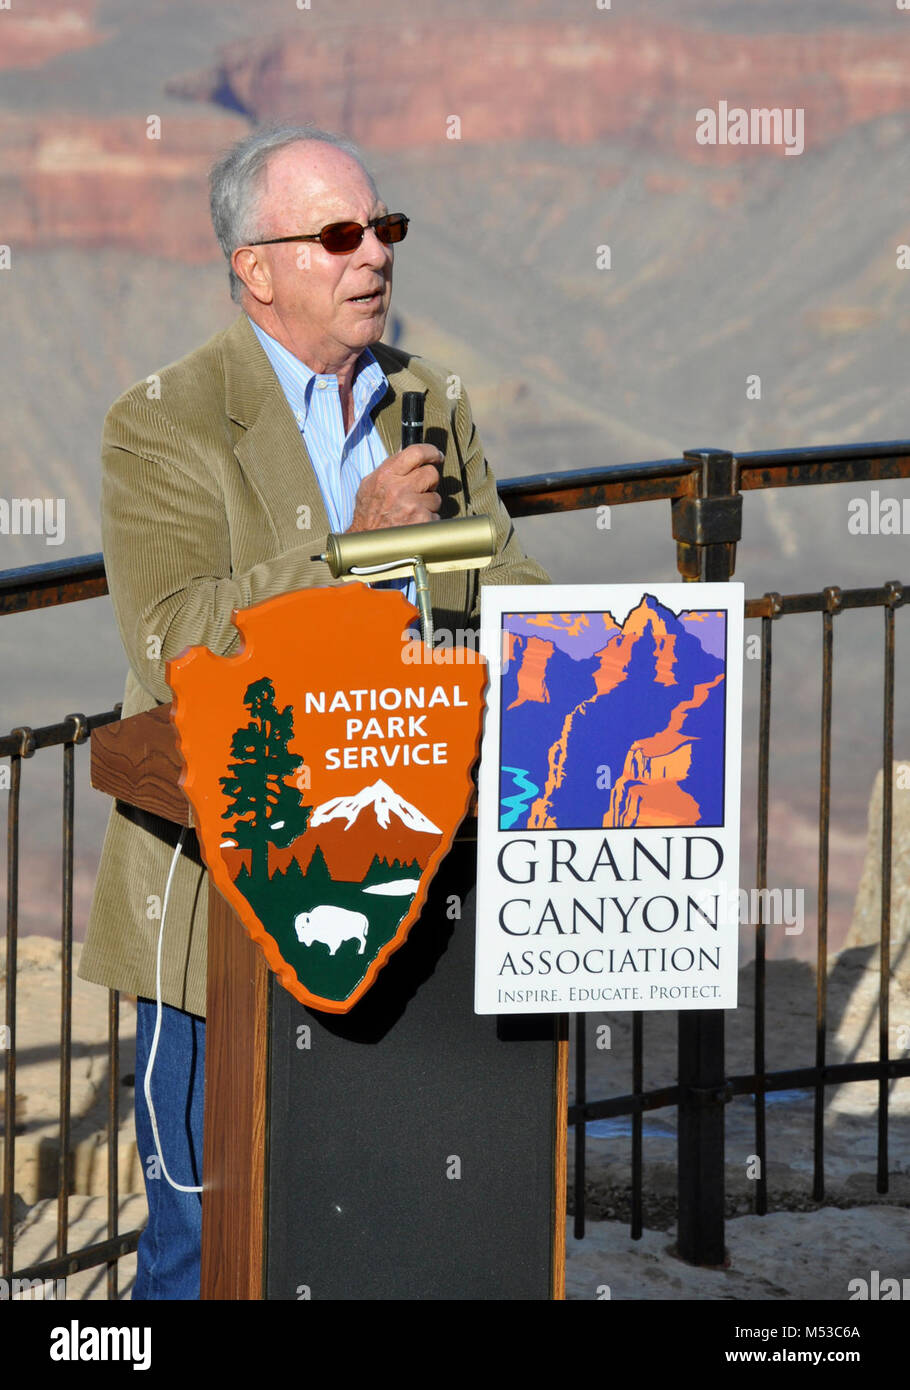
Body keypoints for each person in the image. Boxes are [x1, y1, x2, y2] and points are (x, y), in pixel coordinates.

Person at [78, 123, 548, 1299]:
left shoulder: (424, 400)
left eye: (382, 229)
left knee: (388, 1217)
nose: (373, 257)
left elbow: (499, 576)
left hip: (415, 874)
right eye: (338, 236)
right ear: (256, 268)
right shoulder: (166, 420)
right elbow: (174, 632)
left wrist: (606, 646)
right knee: (206, 1248)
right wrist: (357, 555)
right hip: (229, 897)